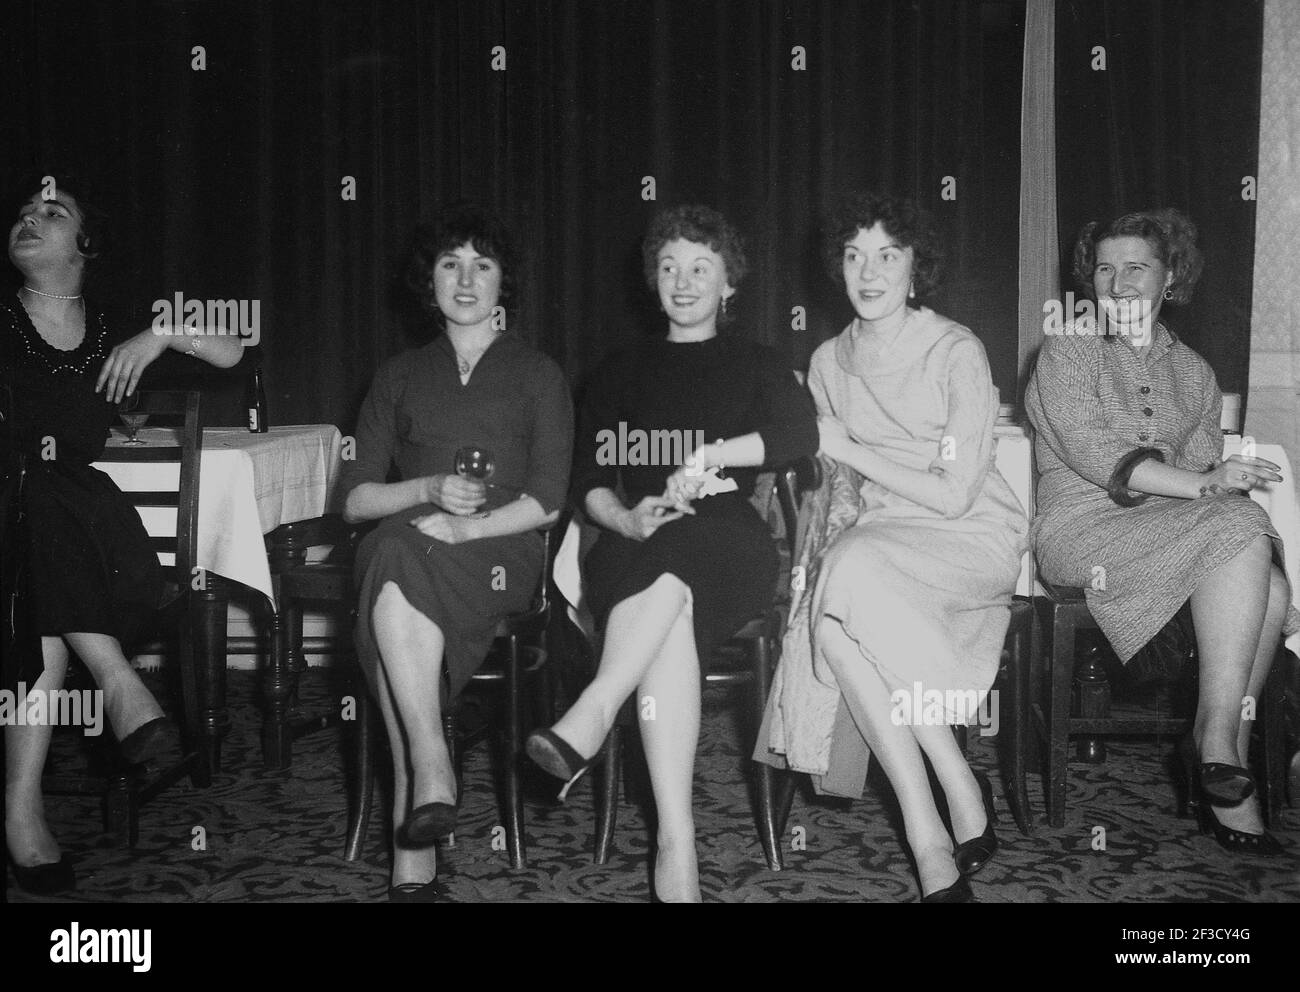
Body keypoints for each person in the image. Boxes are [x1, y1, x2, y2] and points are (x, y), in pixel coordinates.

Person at [525, 204, 819, 902]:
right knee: (666, 603)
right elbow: (585, 479)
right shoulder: (620, 369)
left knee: (683, 553)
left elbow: (797, 433)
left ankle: (599, 715)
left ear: (728, 284)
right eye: (668, 267)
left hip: (727, 537)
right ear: (652, 281)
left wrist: (712, 454)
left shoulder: (757, 361)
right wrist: (623, 517)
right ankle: (674, 845)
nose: (682, 282)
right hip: (634, 539)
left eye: (700, 268)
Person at [763, 192, 1027, 902]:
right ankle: (930, 823)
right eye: (854, 255)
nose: (869, 271)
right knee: (835, 603)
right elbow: (838, 487)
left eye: (888, 254)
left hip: (966, 531)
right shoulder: (827, 361)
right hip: (877, 536)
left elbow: (952, 492)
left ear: (917, 267)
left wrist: (846, 445)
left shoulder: (955, 349)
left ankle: (948, 796)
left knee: (845, 589)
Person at [1025, 208, 1298, 855]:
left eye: (1136, 268)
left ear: (1169, 277)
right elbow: (1095, 453)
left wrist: (1213, 480)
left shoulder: (1197, 372)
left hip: (1168, 526)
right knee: (1254, 552)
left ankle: (1218, 747)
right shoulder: (1067, 347)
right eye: (1104, 269)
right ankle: (1215, 741)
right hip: (1082, 528)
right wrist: (1208, 483)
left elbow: (1206, 476)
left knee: (1272, 587)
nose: (1118, 284)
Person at [3, 173, 245, 895]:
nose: (27, 220)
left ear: (86, 242)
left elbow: (231, 351)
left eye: (51, 212)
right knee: (36, 503)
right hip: (13, 511)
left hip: (74, 528)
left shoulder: (112, 329)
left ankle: (22, 812)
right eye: (21, 212)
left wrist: (164, 330)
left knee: (43, 567)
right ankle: (118, 684)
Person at [340, 204, 573, 901]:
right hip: (407, 542)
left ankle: (416, 795)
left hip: (501, 551)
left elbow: (549, 501)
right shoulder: (399, 373)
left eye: (483, 264)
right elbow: (354, 500)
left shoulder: (538, 373)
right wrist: (427, 488)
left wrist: (467, 527)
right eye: (450, 264)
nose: (466, 279)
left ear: (505, 282)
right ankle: (430, 764)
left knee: (390, 561)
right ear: (429, 281)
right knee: (390, 549)